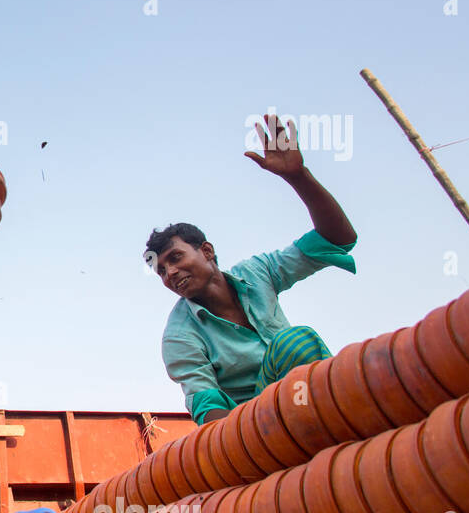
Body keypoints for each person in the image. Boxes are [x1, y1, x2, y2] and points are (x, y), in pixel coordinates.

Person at [146, 115, 358, 425]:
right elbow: (207, 406)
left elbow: (338, 239)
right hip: (255, 429)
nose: (170, 273)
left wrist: (299, 177)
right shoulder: (180, 336)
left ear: (206, 251)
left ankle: (343, 419)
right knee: (294, 343)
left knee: (334, 359)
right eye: (161, 271)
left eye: (175, 258)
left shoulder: (258, 273)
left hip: (306, 399)